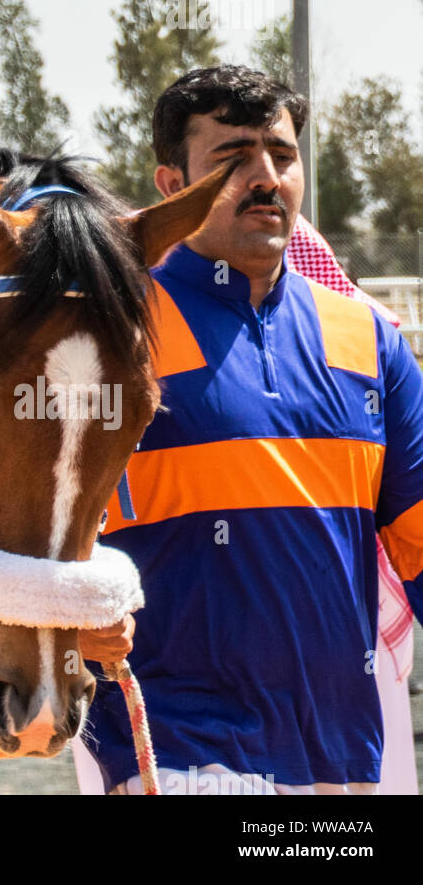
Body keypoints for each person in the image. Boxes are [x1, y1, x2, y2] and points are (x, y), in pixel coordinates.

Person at [77, 66, 423, 794]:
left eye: (282, 156)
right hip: (170, 755)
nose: (266, 178)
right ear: (171, 187)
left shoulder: (370, 341)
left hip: (343, 764)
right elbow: (20, 528)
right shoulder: (108, 336)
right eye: (234, 159)